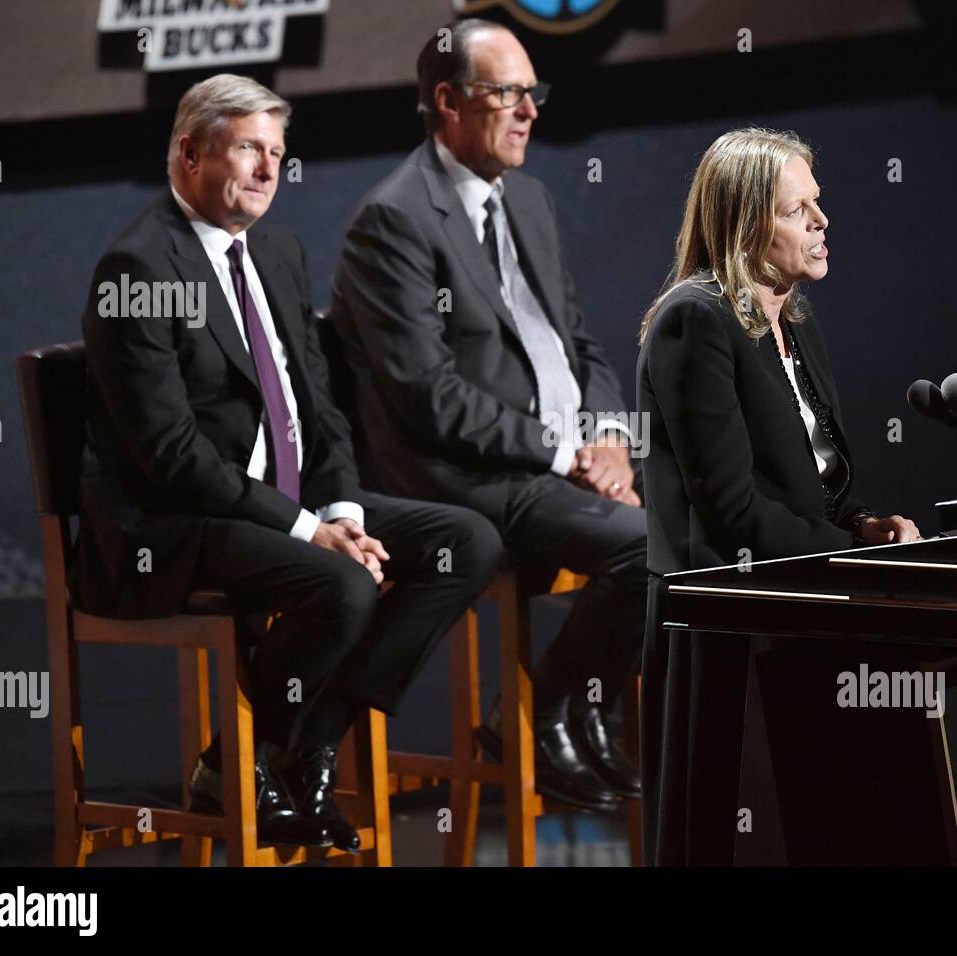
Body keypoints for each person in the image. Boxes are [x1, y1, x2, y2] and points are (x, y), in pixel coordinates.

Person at [73, 74, 501, 850]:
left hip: (284, 506)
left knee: (463, 541)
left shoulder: (277, 250)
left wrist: (341, 512)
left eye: (277, 151)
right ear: (189, 152)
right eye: (249, 149)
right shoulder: (137, 271)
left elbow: (317, 408)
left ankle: (290, 750)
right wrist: (310, 531)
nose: (271, 170)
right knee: (336, 580)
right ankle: (255, 762)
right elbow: (172, 457)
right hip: (173, 524)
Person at [329, 19, 645, 812]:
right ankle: (536, 717)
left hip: (558, 465)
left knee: (711, 519)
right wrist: (564, 453)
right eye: (507, 93)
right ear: (447, 101)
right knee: (653, 547)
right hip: (471, 480)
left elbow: (577, 343)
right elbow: (428, 395)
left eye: (532, 92)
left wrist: (611, 436)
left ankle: (583, 711)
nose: (530, 111)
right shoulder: (394, 220)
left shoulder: (528, 200)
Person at [636, 128, 921, 864]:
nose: (822, 223)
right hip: (732, 631)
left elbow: (805, 489)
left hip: (806, 607)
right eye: (799, 211)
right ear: (745, 223)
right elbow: (731, 513)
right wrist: (856, 560)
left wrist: (863, 526)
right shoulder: (694, 320)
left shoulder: (793, 321)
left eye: (816, 205)